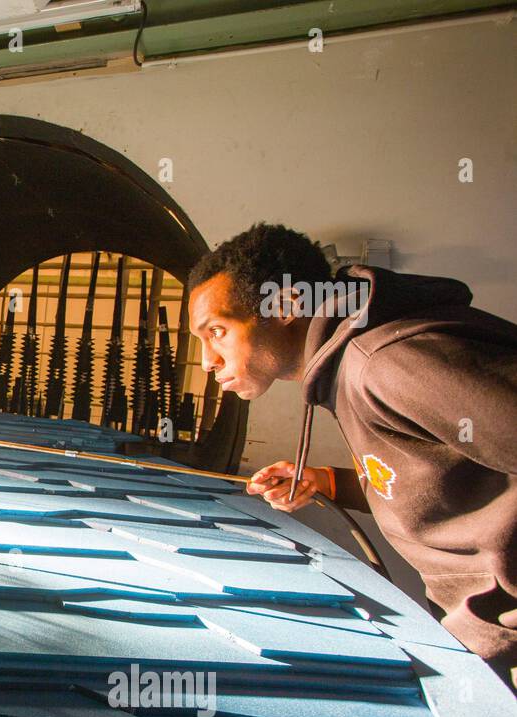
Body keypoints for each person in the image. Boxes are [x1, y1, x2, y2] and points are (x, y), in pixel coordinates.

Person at [186, 223, 517, 691]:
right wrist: (328, 482)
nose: (206, 360)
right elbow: (440, 476)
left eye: (217, 331)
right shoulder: (349, 367)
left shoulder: (385, 364)